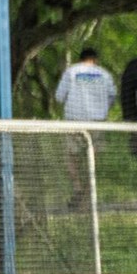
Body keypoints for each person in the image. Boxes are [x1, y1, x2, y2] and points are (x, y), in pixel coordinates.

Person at [54, 47, 117, 208]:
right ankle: (89, 195)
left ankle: (77, 188)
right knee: (92, 159)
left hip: (74, 121)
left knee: (70, 156)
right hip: (97, 121)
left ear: (81, 59)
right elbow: (112, 96)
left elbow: (59, 97)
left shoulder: (72, 72)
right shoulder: (105, 74)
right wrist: (102, 108)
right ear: (95, 60)